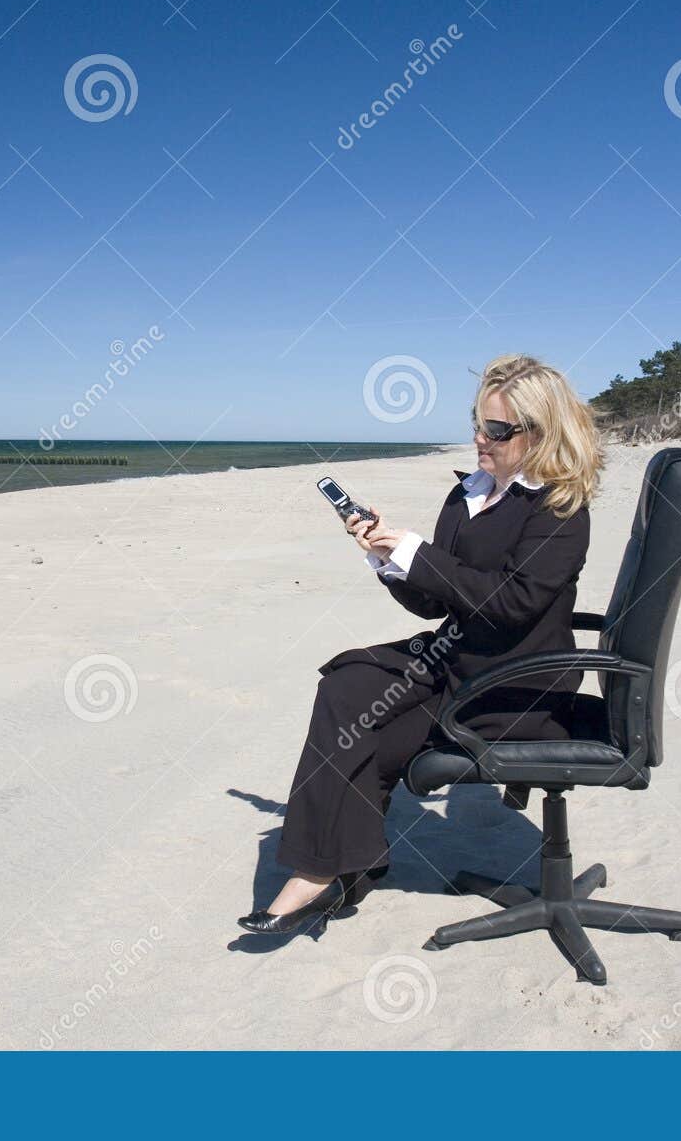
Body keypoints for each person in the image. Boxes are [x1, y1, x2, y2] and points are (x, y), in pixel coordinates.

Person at [239, 354, 605, 935]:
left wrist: (416, 554)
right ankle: (322, 872)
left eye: (496, 430)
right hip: (457, 663)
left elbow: (512, 604)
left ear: (541, 433)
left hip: (518, 686)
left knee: (372, 737)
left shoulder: (559, 508)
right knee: (349, 686)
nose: (479, 439)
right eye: (477, 424)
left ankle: (339, 865)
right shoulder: (468, 494)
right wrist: (388, 561)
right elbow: (439, 601)